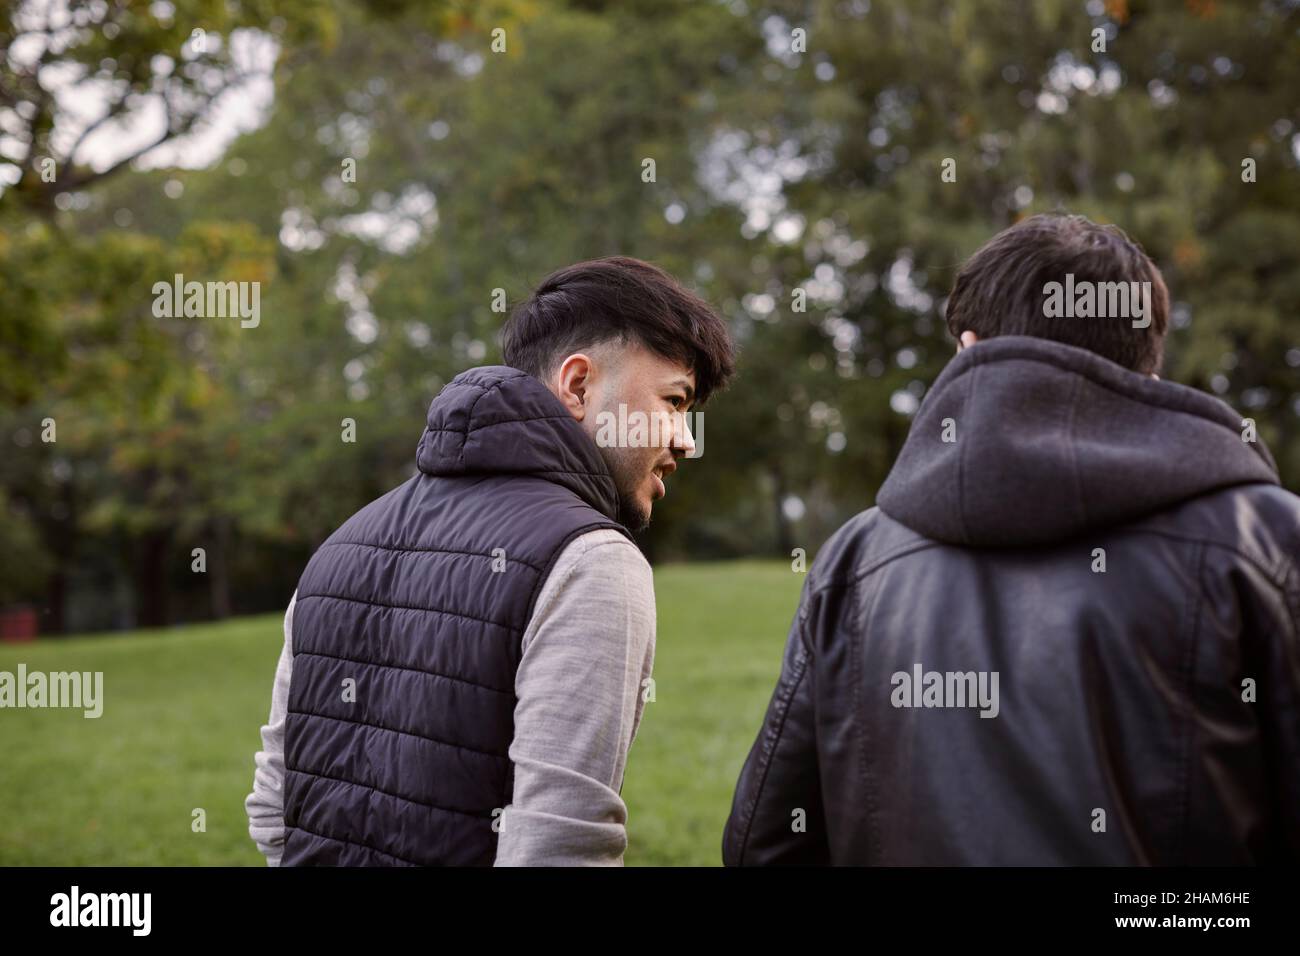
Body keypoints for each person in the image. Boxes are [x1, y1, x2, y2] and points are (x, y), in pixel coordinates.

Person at [723, 213, 1300, 865]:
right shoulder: (1268, 539)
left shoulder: (854, 559)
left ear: (969, 349)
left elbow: (765, 845)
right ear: (1148, 364)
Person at [246, 256, 733, 865]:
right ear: (578, 385)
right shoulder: (591, 560)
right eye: (675, 401)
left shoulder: (339, 546)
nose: (686, 442)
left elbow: (273, 811)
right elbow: (556, 849)